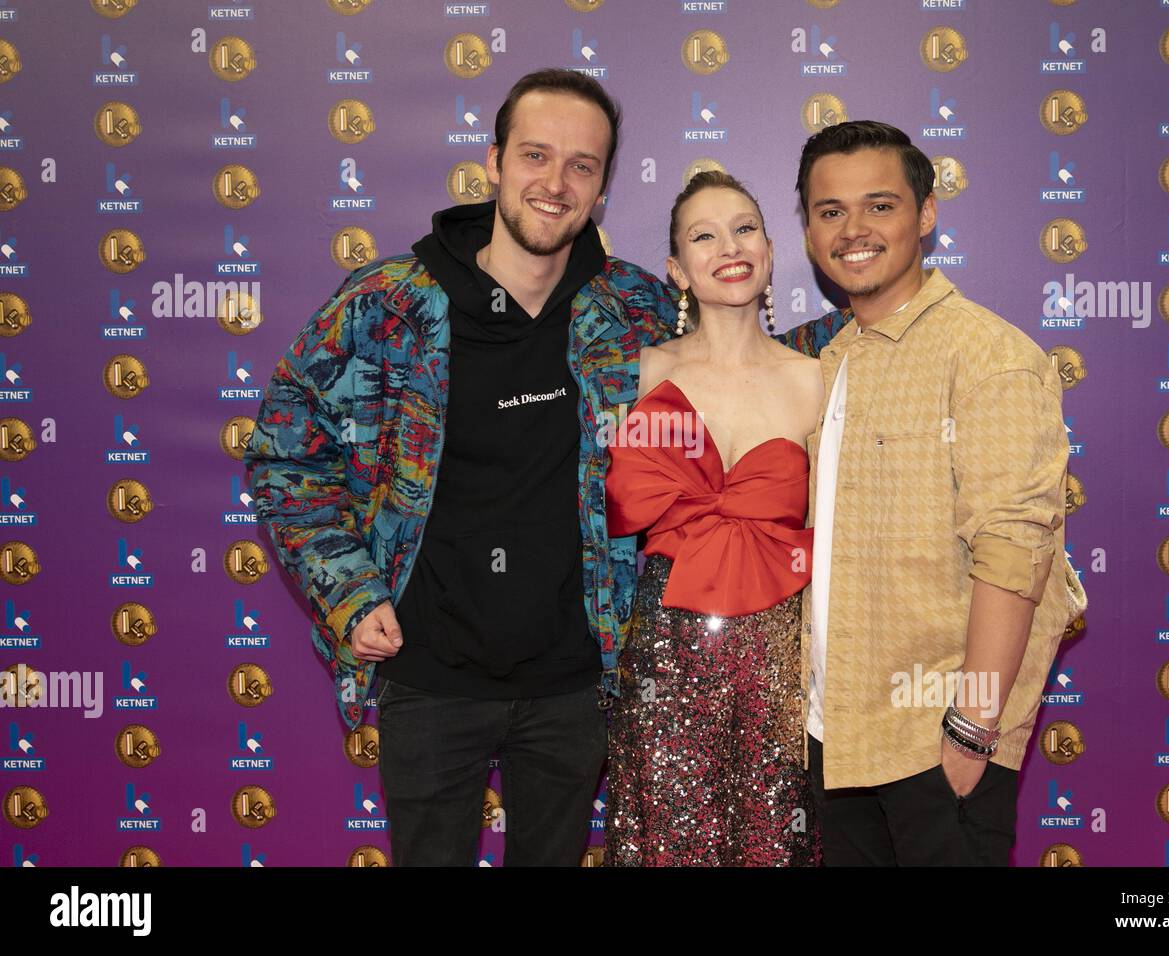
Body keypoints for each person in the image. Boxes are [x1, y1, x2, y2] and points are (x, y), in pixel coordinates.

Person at [243, 69, 679, 866]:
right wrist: (347, 588)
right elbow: (283, 453)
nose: (555, 183)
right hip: (430, 676)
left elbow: (751, 378)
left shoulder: (637, 312)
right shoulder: (388, 303)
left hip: (577, 684)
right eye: (535, 156)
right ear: (494, 162)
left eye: (582, 165)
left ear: (604, 188)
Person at [781, 121, 1086, 866]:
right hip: (840, 738)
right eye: (830, 212)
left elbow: (1014, 555)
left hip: (936, 748)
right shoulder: (824, 362)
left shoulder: (988, 356)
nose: (854, 230)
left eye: (879, 206)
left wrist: (972, 733)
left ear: (925, 214)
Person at [603, 171, 824, 866]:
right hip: (664, 657)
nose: (729, 247)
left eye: (744, 228)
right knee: (668, 837)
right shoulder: (633, 375)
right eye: (704, 235)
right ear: (676, 270)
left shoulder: (819, 380)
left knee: (773, 842)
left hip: (779, 664)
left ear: (769, 247)